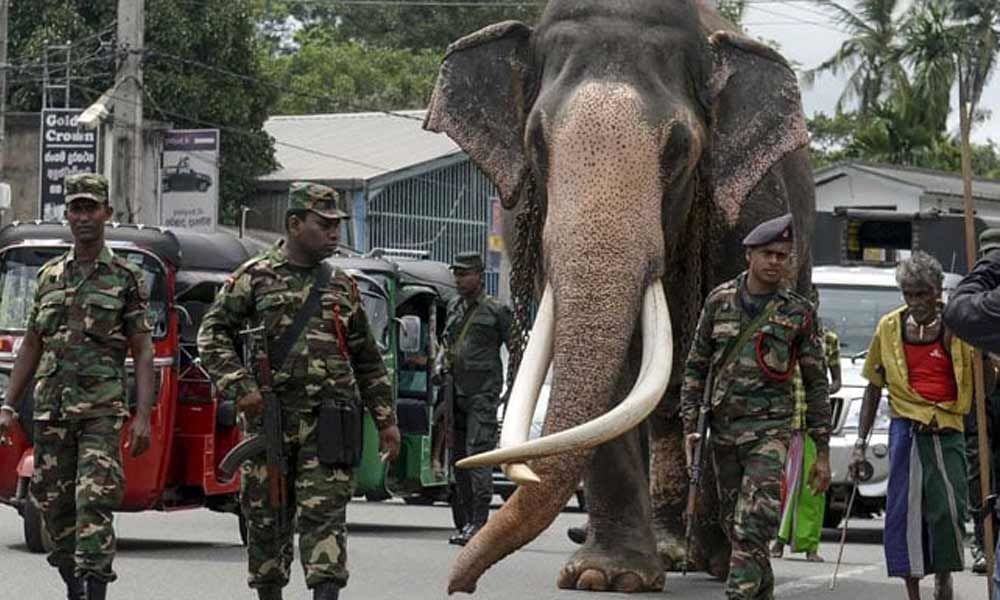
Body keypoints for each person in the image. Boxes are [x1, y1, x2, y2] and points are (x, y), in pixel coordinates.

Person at [197, 182, 401, 600]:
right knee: (267, 529)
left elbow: (367, 359)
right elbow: (211, 334)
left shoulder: (343, 286)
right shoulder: (253, 278)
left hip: (329, 426)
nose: (334, 233)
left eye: (337, 225)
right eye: (323, 224)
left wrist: (386, 421)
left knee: (325, 527)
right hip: (269, 425)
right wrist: (241, 387)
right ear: (294, 224)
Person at [0, 173, 155, 600]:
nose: (84, 216)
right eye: (76, 208)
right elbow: (32, 343)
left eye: (92, 208)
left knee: (95, 501)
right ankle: (75, 584)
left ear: (107, 213)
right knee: (52, 504)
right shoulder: (49, 276)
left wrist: (143, 415)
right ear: (67, 215)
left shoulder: (126, 277)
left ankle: (94, 587)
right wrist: (9, 405)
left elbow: (142, 349)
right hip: (50, 410)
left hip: (101, 411)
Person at [680, 213, 832, 600]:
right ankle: (760, 590)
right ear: (749, 255)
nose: (776, 262)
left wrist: (822, 452)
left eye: (783, 255)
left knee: (754, 520)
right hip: (724, 429)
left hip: (771, 431)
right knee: (737, 524)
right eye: (768, 253)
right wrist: (690, 429)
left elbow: (817, 384)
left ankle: (738, 595)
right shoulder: (719, 302)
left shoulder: (798, 313)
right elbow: (696, 366)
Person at [855, 251, 973, 600]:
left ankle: (944, 575)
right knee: (903, 515)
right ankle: (913, 591)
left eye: (923, 293)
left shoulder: (957, 327)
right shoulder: (889, 328)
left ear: (937, 290)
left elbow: (983, 384)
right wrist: (860, 443)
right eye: (909, 293)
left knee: (948, 511)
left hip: (947, 428)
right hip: (905, 428)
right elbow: (873, 385)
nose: (917, 301)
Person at [437, 251, 512, 546]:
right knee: (459, 461)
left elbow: (516, 348)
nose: (459, 279)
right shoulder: (454, 304)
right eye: (456, 273)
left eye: (465, 274)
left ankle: (480, 524)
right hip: (454, 391)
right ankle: (465, 521)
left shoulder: (496, 310)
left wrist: (512, 388)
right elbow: (447, 341)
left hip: (482, 394)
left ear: (480, 276)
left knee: (478, 457)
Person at [943, 227, 1000, 595]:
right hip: (978, 411)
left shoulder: (986, 298)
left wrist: (988, 267)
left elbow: (961, 313)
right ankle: (985, 538)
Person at [771, 289, 841, 562]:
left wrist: (820, 390)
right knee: (783, 485)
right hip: (786, 423)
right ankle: (777, 541)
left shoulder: (828, 340)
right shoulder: (781, 335)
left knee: (813, 488)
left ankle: (810, 546)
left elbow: (836, 380)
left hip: (812, 426)